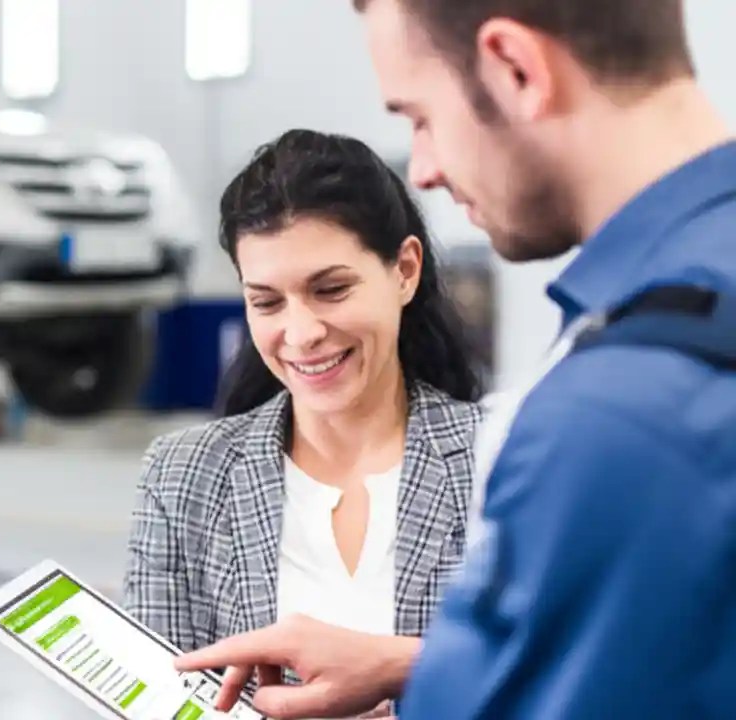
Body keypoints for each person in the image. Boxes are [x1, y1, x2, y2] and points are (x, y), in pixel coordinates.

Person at [172, 0, 736, 718]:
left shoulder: (616, 411)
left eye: (421, 117)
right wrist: (403, 665)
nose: (427, 168)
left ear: (516, 68)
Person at [122, 129, 485, 713]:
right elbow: (158, 703)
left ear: (405, 270)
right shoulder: (183, 475)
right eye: (267, 302)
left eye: (331, 289)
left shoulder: (497, 458)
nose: (302, 332)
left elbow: (566, 678)